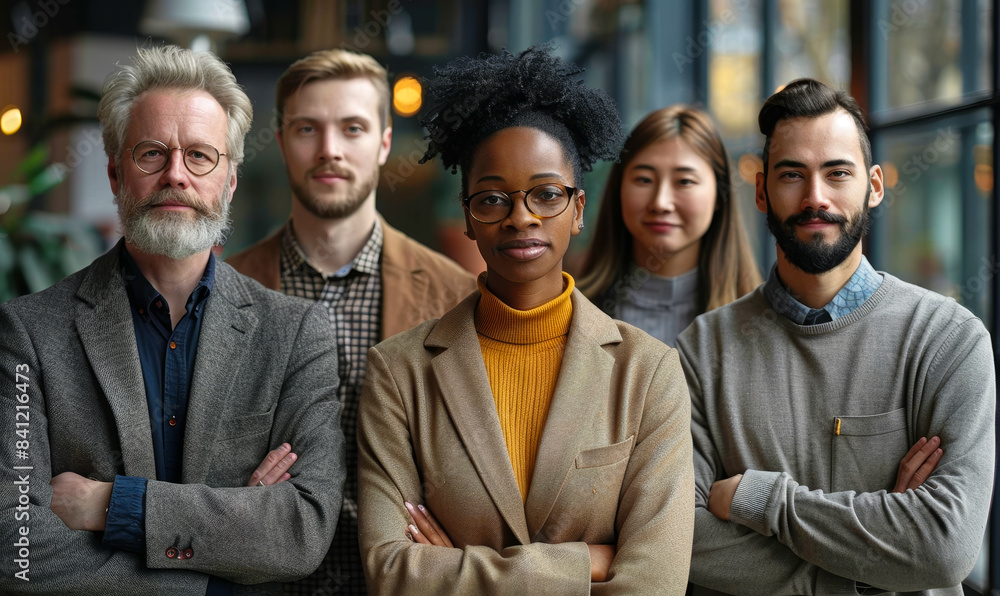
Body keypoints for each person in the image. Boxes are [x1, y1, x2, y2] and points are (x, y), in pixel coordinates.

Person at [0, 46, 345, 595]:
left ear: (229, 181)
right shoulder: (27, 334)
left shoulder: (296, 334)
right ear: (116, 174)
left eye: (201, 156)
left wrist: (113, 506)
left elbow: (301, 530)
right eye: (151, 154)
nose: (176, 176)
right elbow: (12, 547)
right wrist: (214, 570)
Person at [357, 45, 695, 595]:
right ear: (468, 216)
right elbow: (391, 573)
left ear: (579, 210)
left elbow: (655, 581)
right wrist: (585, 562)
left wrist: (459, 569)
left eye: (545, 195)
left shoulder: (648, 372)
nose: (521, 217)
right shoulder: (399, 373)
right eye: (492, 199)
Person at [677, 78, 995, 594]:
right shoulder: (701, 350)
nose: (815, 197)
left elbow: (943, 548)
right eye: (791, 175)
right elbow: (678, 540)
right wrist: (881, 563)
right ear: (761, 191)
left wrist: (763, 501)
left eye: (837, 172)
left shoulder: (948, 340)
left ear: (873, 184)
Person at [226, 48, 476, 594]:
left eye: (353, 128)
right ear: (281, 138)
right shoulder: (221, 288)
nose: (330, 150)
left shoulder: (457, 297)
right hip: (262, 580)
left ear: (385, 142)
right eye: (308, 128)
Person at [577, 105, 761, 346]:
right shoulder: (573, 315)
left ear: (719, 194)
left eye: (684, 181)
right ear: (618, 188)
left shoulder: (759, 324)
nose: (661, 203)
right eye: (644, 179)